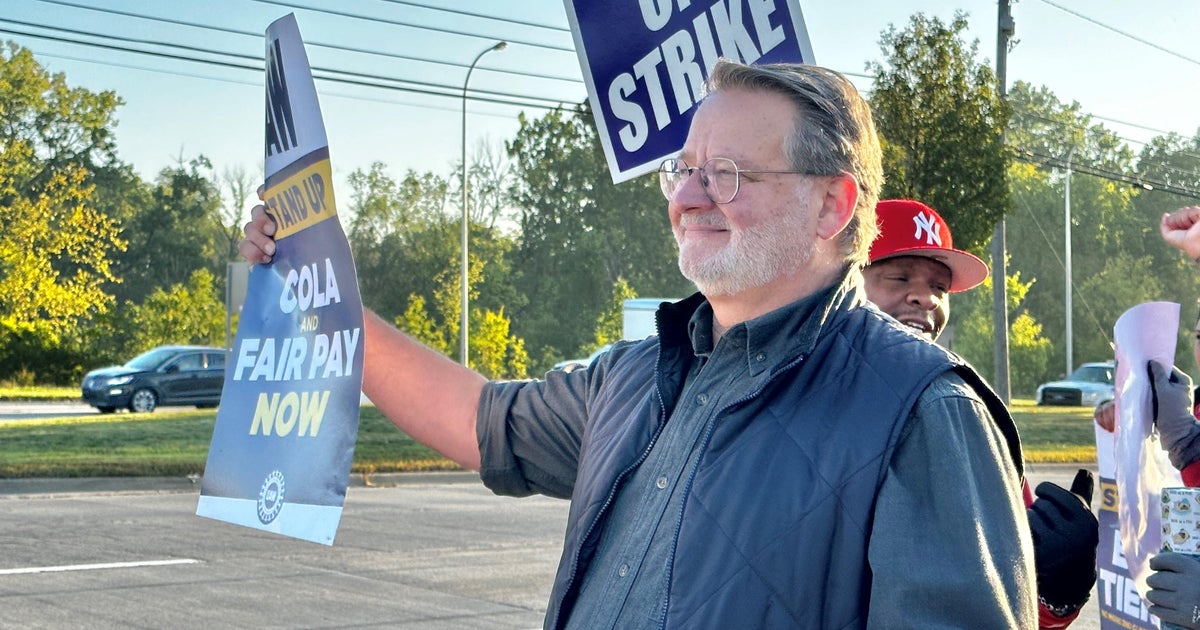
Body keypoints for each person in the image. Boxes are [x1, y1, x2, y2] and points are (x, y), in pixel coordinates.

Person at [241, 60, 1035, 628]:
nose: (689, 198)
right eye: (683, 170)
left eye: (726, 173)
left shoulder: (924, 412)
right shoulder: (633, 376)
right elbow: (473, 414)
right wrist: (323, 296)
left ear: (831, 205)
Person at [863, 199, 1098, 628]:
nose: (925, 298)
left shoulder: (973, 418)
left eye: (939, 286)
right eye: (898, 276)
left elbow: (1015, 605)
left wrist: (1057, 586)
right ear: (845, 282)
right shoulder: (798, 403)